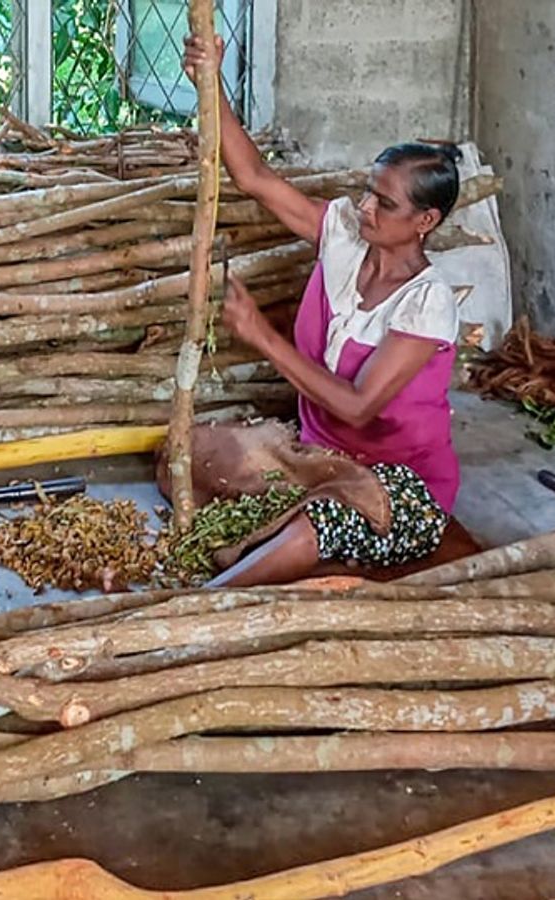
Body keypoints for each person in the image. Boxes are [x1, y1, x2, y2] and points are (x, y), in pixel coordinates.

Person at [182, 34, 462, 587]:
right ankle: (307, 556)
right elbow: (255, 179)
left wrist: (264, 337)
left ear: (425, 221)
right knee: (193, 450)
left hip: (398, 481)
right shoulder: (341, 235)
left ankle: (204, 602)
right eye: (367, 192)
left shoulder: (428, 304)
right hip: (314, 456)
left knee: (319, 524)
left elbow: (357, 407)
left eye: (385, 203)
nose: (365, 208)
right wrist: (209, 79)